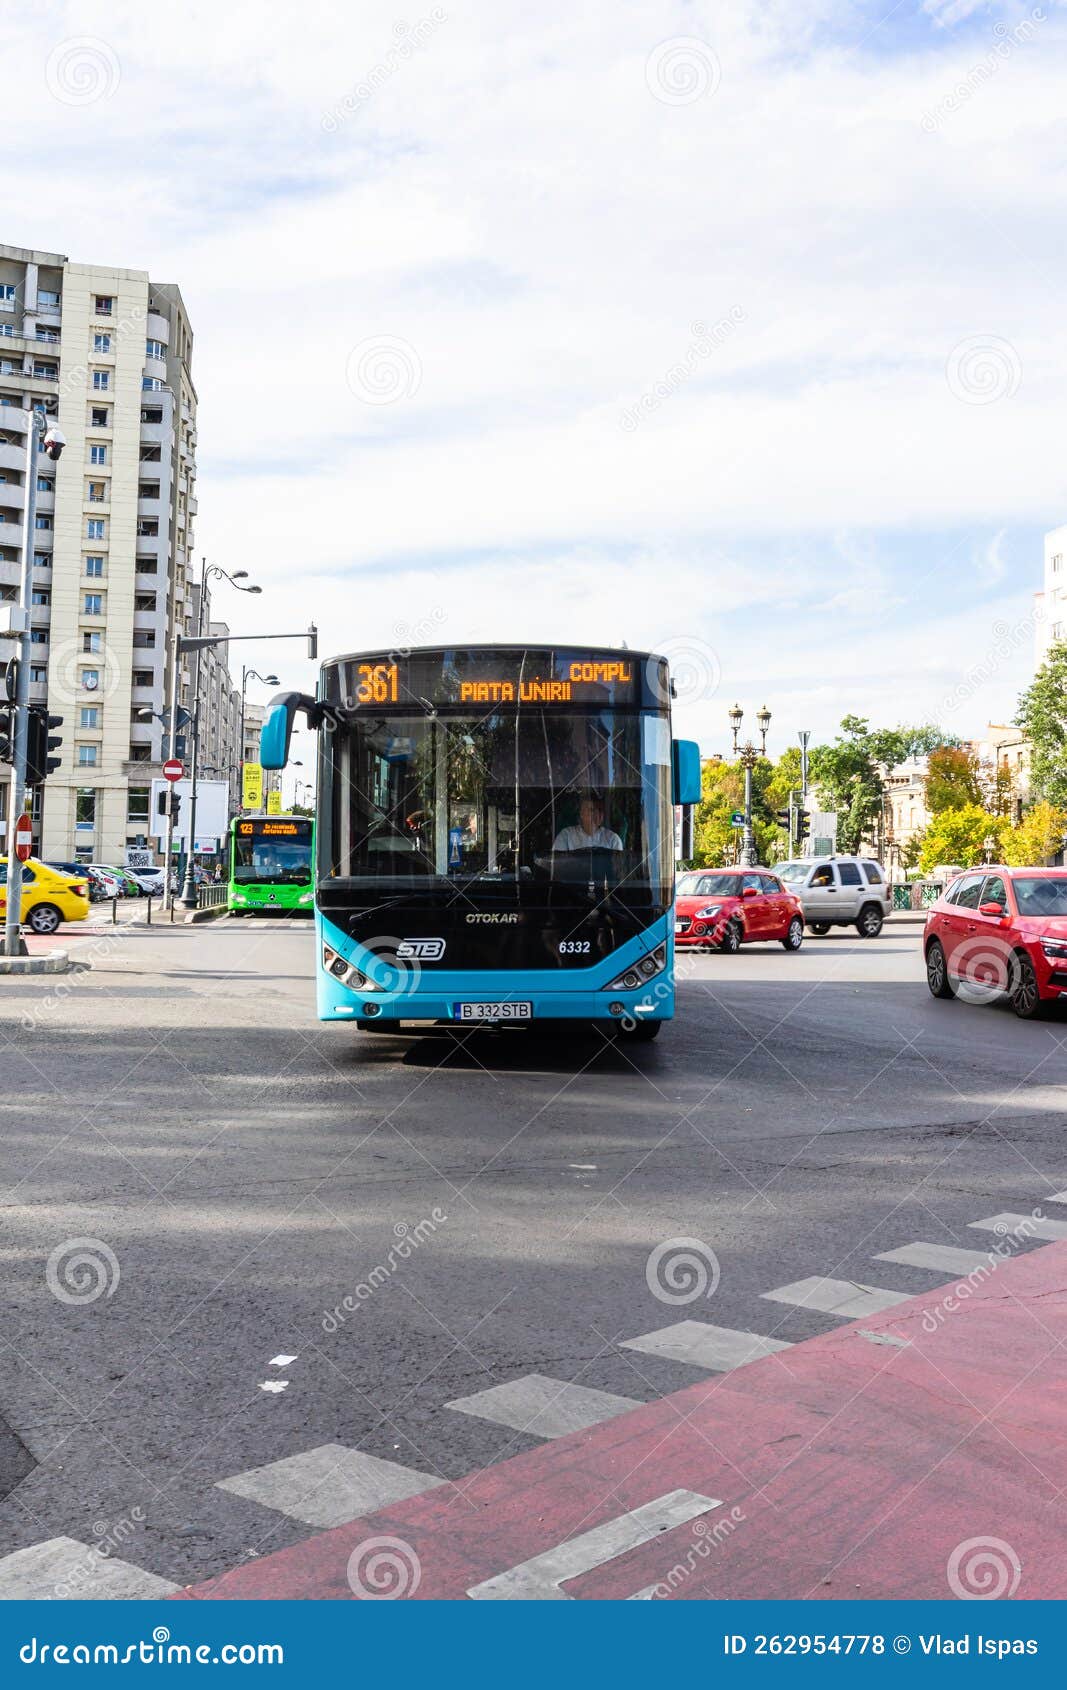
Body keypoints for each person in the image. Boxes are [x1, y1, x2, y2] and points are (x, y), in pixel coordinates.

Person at [552, 793, 623, 853]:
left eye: (600, 810)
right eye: (592, 810)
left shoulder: (613, 839)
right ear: (581, 813)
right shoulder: (566, 836)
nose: (597, 814)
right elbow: (557, 866)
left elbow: (617, 867)